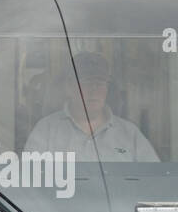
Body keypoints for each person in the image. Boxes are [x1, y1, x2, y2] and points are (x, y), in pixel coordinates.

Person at [24, 51, 158, 161]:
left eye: (100, 83)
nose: (94, 90)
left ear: (107, 89)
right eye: (86, 82)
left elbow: (154, 181)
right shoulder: (46, 130)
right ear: (69, 87)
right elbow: (28, 181)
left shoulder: (130, 134)